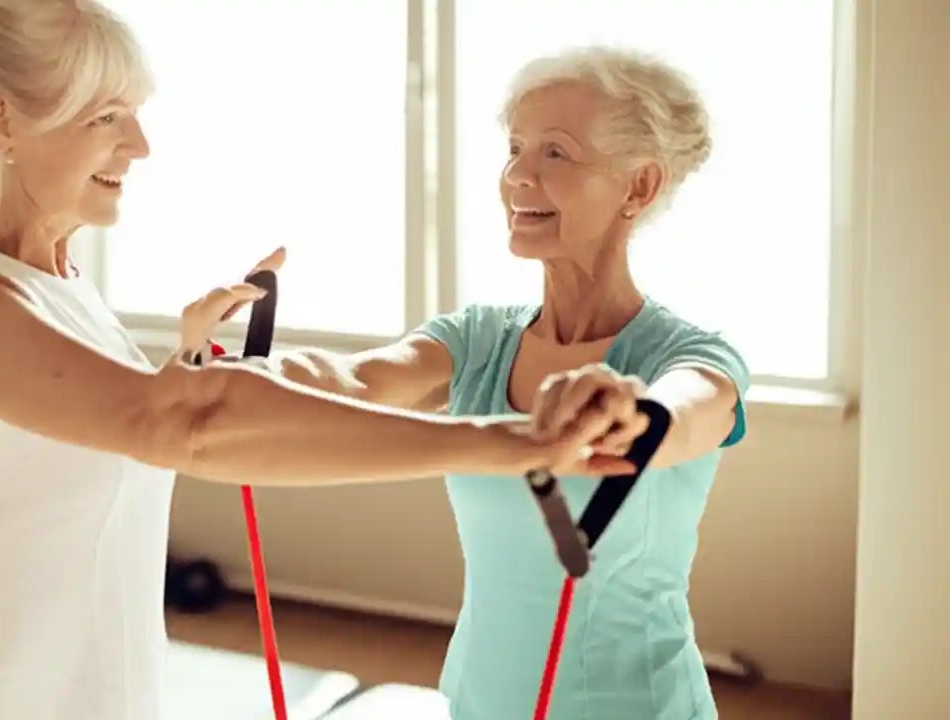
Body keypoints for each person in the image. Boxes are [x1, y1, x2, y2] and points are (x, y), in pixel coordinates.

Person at [0, 2, 638, 719]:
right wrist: (510, 442)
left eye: (132, 113)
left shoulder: (60, 284)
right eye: (104, 116)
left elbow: (113, 430)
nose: (139, 144)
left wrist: (187, 356)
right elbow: (181, 424)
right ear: (2, 122)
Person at [252, 48, 750, 718]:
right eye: (515, 149)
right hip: (478, 696)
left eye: (555, 152)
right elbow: (361, 380)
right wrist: (254, 375)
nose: (517, 174)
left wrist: (631, 415)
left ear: (638, 187)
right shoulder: (478, 339)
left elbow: (686, 411)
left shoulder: (687, 356)